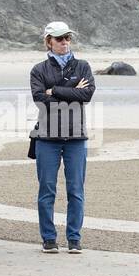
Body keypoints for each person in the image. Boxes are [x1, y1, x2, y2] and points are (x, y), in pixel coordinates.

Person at [30, 21, 95, 254]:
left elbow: (86, 94)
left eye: (67, 37)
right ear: (49, 41)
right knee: (47, 190)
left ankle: (74, 238)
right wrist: (71, 89)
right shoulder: (38, 70)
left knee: (75, 190)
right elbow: (40, 99)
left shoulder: (83, 66)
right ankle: (48, 238)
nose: (65, 42)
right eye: (59, 39)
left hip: (76, 137)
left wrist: (55, 90)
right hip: (47, 137)